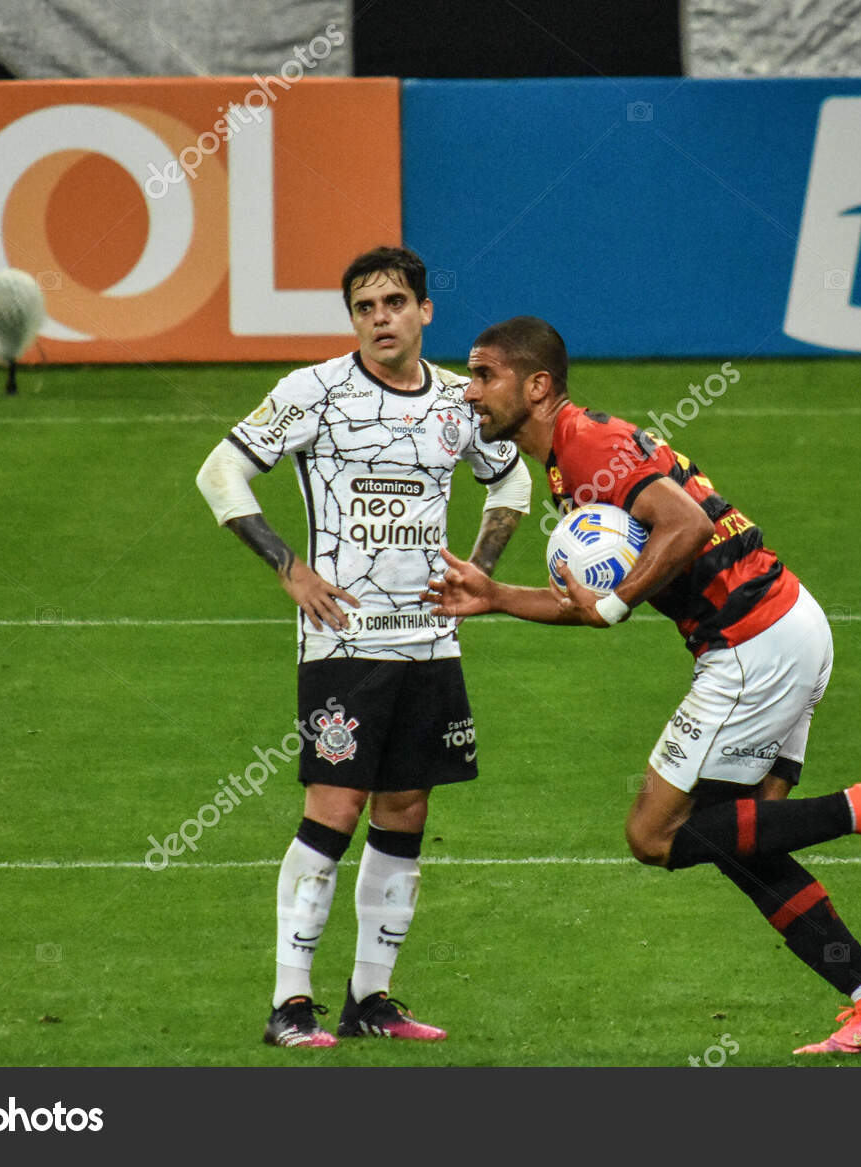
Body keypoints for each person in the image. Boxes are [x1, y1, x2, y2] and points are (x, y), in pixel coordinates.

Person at [424, 315, 861, 1056]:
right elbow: (599, 607)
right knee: (743, 843)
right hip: (785, 624)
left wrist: (620, 597)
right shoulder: (570, 463)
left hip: (751, 642)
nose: (471, 393)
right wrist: (497, 595)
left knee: (653, 833)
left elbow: (687, 524)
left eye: (484, 376)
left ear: (537, 386)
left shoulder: (587, 442)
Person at [195, 247, 531, 1048]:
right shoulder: (313, 391)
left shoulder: (459, 398)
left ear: (424, 310)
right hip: (343, 641)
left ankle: (371, 999)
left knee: (407, 808)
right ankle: (289, 1004)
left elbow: (512, 481)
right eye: (364, 307)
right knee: (334, 807)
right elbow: (220, 474)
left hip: (431, 642)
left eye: (392, 302)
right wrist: (290, 567)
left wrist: (479, 576)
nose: (379, 318)